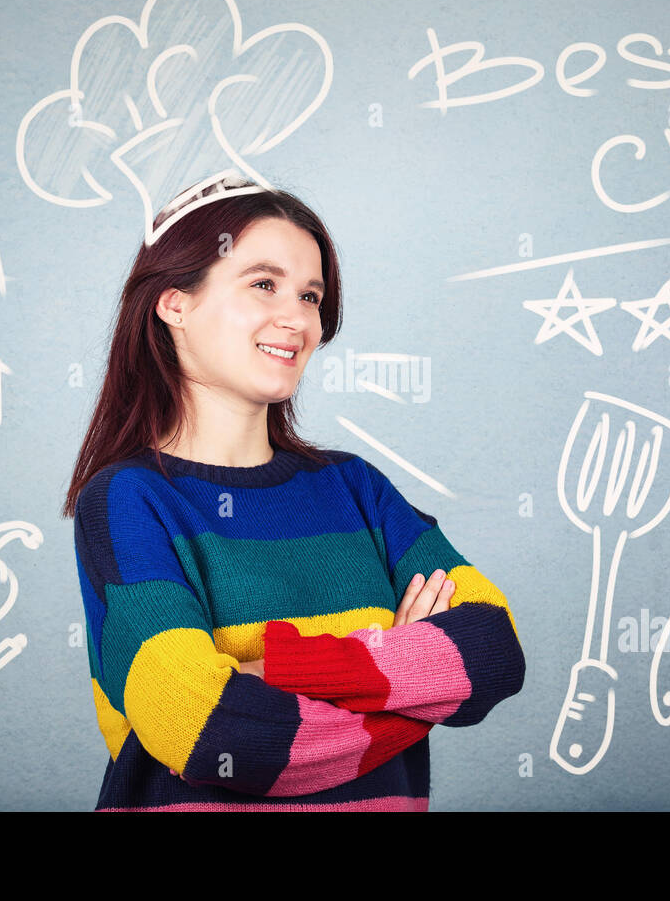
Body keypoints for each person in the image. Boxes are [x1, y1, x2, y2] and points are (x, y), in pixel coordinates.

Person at [63, 174, 525, 810]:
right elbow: (206, 727)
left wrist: (269, 675)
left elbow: (494, 651)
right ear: (174, 304)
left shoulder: (355, 488)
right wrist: (405, 672)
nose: (297, 318)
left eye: (311, 295)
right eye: (262, 284)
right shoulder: (127, 500)